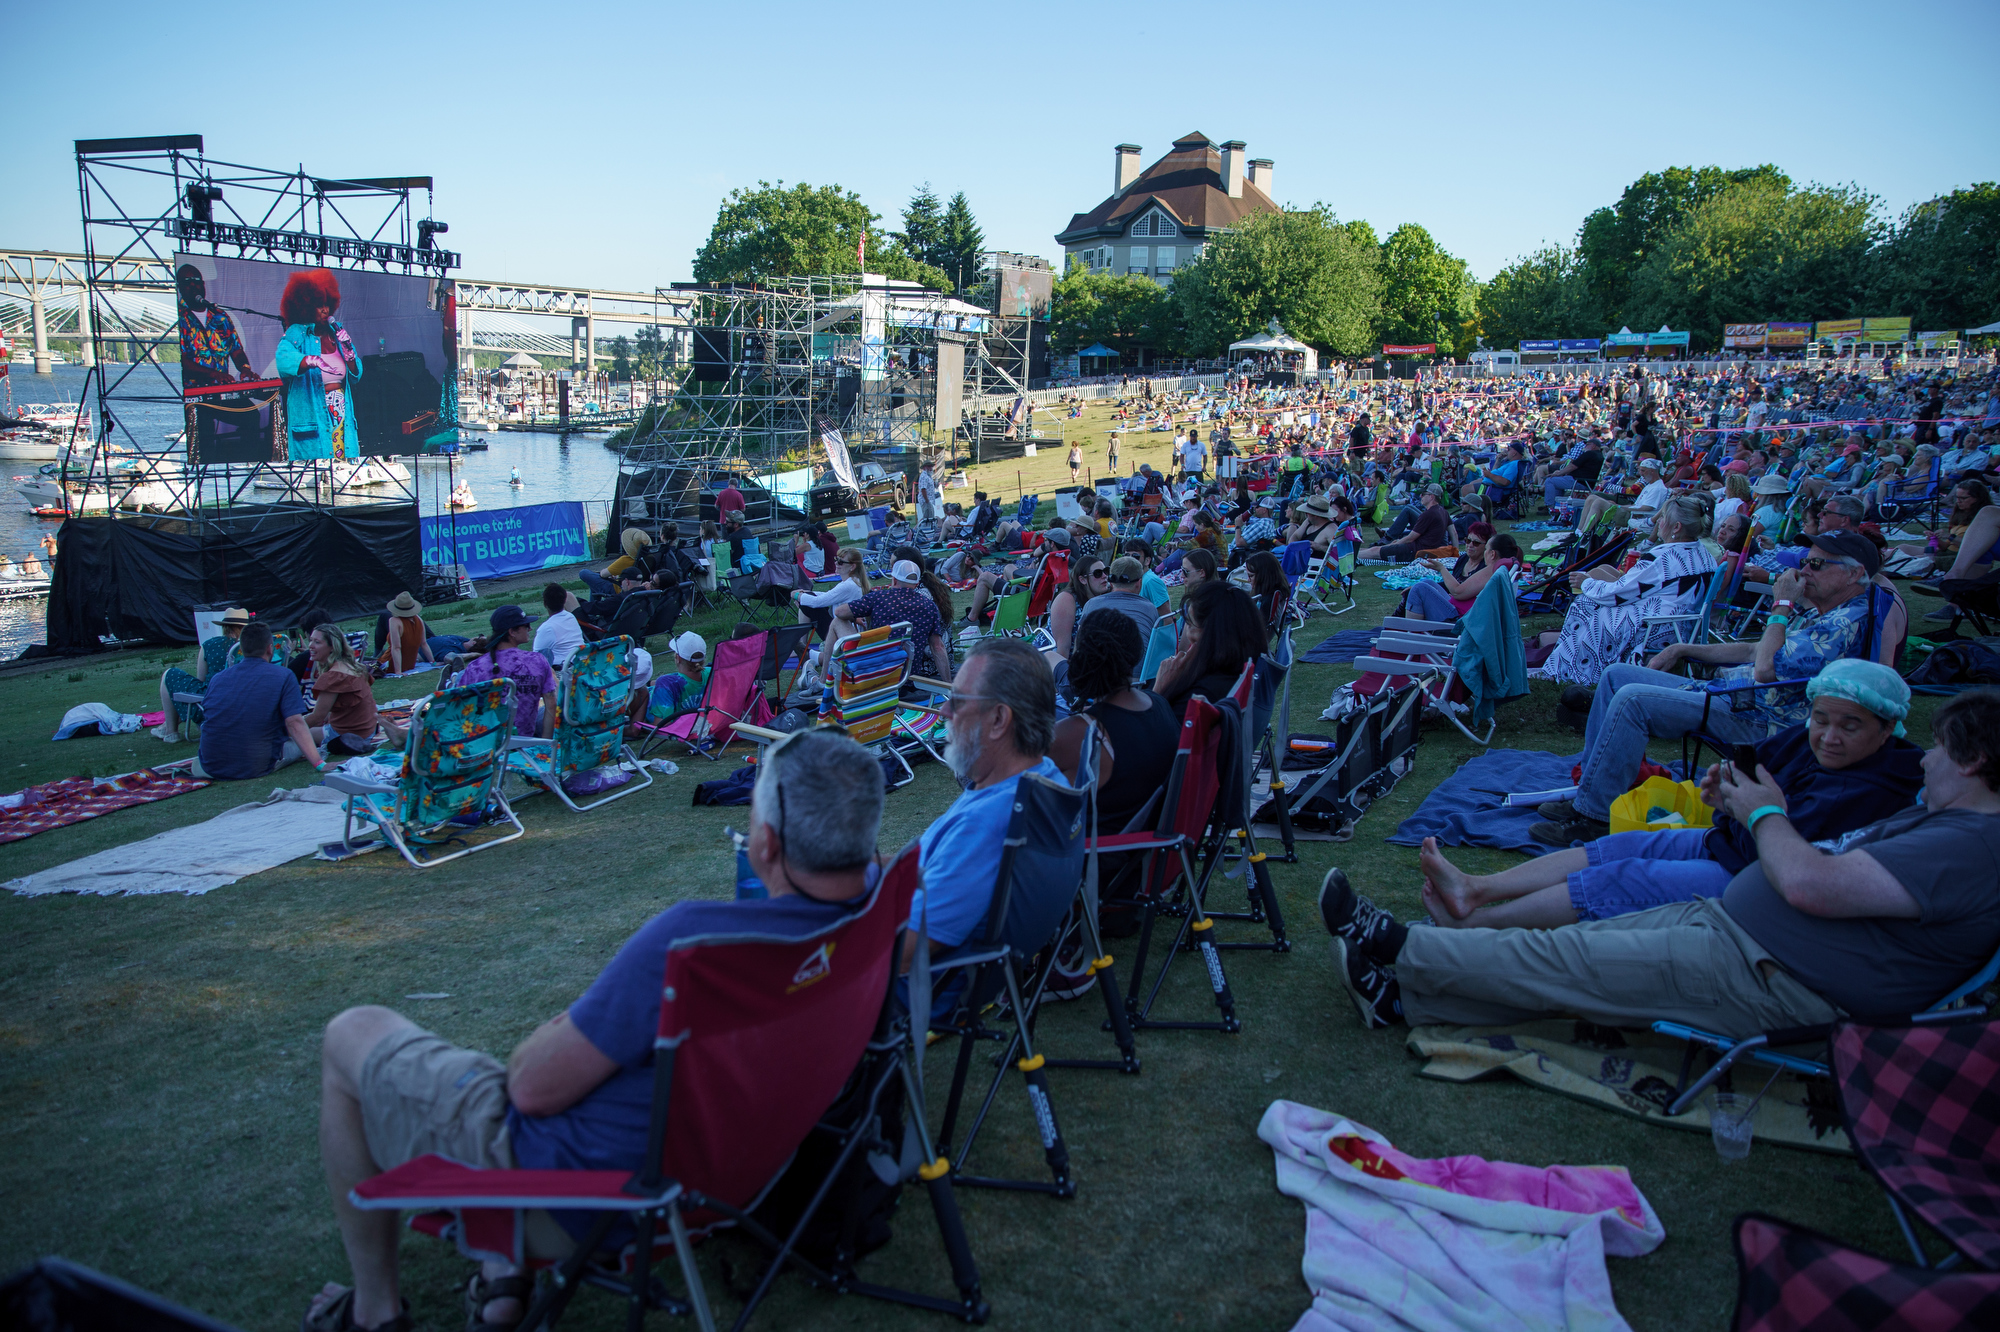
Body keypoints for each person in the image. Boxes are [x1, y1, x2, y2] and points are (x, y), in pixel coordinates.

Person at [305, 728, 887, 1332]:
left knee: (353, 1032)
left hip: (592, 1200)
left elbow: (529, 1090)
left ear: (766, 843)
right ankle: (503, 1273)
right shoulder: (874, 918)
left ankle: (373, 1312)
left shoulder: (693, 945)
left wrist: (557, 1028)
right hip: (738, 1182)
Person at [1324, 688, 2000, 1035]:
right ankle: (1405, 1000)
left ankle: (1402, 948)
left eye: (1940, 750)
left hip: (1780, 976)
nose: (1926, 759)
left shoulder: (1969, 848)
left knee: (1572, 961)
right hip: (1747, 930)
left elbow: (1808, 883)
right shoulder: (1947, 821)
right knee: (1577, 966)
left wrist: (1764, 813)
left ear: (1972, 763)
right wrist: (1741, 803)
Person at [1406, 660, 1924, 931]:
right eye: (1821, 720)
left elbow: (1780, 851)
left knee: (1622, 877)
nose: (1828, 737)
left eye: (1850, 727)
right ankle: (1477, 888)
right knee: (1616, 846)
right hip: (1733, 841)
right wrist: (1726, 788)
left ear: (1887, 730)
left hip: (1756, 878)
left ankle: (1475, 925)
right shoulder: (1808, 741)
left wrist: (1752, 809)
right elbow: (1754, 768)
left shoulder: (1872, 786)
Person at [1533, 529, 1886, 845]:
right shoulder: (1821, 611)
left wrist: (1781, 604)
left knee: (1632, 700)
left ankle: (1594, 818)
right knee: (1616, 675)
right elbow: (1756, 649)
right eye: (1805, 561)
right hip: (1733, 696)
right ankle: (1592, 790)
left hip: (1759, 718)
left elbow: (1764, 670)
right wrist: (1682, 648)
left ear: (1855, 574)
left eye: (1817, 564)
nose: (1805, 570)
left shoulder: (1843, 624)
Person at [902, 639, 1065, 969]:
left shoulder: (987, 824)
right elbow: (931, 864)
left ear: (999, 719)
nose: (944, 711)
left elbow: (902, 953)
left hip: (910, 986)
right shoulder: (1045, 778)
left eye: (958, 700)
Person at [1532, 494, 1717, 683]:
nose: (1659, 522)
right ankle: (1565, 659)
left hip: (1656, 628)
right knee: (1597, 590)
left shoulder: (1663, 558)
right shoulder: (1705, 555)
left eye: (1662, 518)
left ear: (1676, 527)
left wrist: (1586, 582)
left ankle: (1565, 669)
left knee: (1586, 602)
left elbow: (1617, 594)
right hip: (1684, 627)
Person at [192, 622, 325, 781]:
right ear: (270, 649)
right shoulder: (283, 675)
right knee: (302, 740)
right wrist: (319, 764)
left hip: (211, 764)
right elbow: (295, 723)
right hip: (255, 764)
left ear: (241, 649)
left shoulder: (218, 679)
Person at [274, 269, 362, 462]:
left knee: (344, 469)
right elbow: (282, 360)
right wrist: (311, 361)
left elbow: (356, 375)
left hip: (342, 415)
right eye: (319, 305)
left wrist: (349, 353)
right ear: (305, 307)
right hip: (314, 416)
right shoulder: (297, 333)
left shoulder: (337, 333)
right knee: (317, 472)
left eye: (327, 305)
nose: (325, 310)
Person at [1154, 580, 1264, 719]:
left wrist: (1159, 690)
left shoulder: (1200, 698)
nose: (1186, 632)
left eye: (1189, 624)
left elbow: (1150, 729)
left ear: (1211, 634)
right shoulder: (1240, 672)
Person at [831, 560, 949, 681]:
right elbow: (938, 647)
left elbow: (839, 612)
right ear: (916, 584)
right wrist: (948, 685)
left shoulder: (879, 598)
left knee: (837, 622)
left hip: (874, 675)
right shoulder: (929, 606)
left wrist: (855, 618)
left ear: (894, 580)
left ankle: (823, 680)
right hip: (907, 678)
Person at [457, 605, 557, 740]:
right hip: (525, 741)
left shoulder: (475, 667)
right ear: (512, 632)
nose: (530, 629)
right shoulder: (537, 661)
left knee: (460, 676)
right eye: (526, 625)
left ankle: (452, 679)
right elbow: (551, 704)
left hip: (487, 743)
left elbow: (462, 708)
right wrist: (545, 744)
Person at [154, 606, 249, 743]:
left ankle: (171, 732)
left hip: (214, 706)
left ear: (224, 627)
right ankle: (167, 727)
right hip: (247, 703)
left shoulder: (210, 645)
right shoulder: (255, 646)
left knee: (170, 674)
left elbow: (201, 679)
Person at [303, 625, 398, 756]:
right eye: (311, 640)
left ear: (332, 647)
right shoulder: (353, 666)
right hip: (369, 730)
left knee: (297, 734)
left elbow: (317, 717)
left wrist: (289, 729)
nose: (310, 646)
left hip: (351, 734)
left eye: (317, 642)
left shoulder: (333, 676)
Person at [1405, 530, 1521, 623]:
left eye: (1486, 549)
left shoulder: (1493, 570)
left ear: (1492, 554)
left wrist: (1441, 569)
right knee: (1428, 584)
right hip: (1463, 612)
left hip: (1460, 621)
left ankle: (1413, 636)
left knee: (1419, 589)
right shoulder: (1503, 569)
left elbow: (1458, 592)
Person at [174, 264, 254, 390]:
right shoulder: (178, 317)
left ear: (203, 285)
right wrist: (213, 374)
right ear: (180, 288)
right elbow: (182, 362)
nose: (193, 285)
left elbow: (236, 350)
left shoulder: (220, 316)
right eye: (187, 282)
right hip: (194, 392)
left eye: (196, 281)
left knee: (258, 404)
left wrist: (245, 368)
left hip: (223, 389)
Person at [1078, 556, 1161, 654]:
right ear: (1139, 583)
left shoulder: (1091, 605)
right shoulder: (1150, 608)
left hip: (1097, 662)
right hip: (1139, 663)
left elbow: (1079, 645)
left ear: (1111, 583)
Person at [1357, 485, 1449, 562]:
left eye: (1424, 494)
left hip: (1415, 552)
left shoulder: (1428, 514)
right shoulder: (1443, 512)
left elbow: (1410, 538)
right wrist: (1453, 553)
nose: (1421, 496)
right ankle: (1353, 552)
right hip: (1420, 549)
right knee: (1375, 549)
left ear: (1431, 497)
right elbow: (1454, 533)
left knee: (1375, 551)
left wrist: (1393, 545)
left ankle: (1351, 556)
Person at [794, 547, 869, 640]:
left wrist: (796, 595)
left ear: (852, 567)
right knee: (807, 599)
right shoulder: (853, 581)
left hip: (843, 632)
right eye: (836, 559)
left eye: (840, 562)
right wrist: (805, 593)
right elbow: (828, 595)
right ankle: (802, 644)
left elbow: (817, 602)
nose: (836, 563)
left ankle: (802, 644)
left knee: (807, 604)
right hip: (847, 628)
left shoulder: (848, 585)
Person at [1047, 555, 1107, 661]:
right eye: (1097, 573)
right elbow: (1062, 649)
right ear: (1083, 580)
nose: (1104, 576)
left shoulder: (1105, 597)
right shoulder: (1067, 600)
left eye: (1106, 571)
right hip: (1055, 660)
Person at [647, 631, 708, 720]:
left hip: (681, 728)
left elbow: (661, 725)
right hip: (705, 723)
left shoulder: (666, 683)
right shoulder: (712, 673)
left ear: (678, 658)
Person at [375, 593, 436, 676]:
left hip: (391, 664)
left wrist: (398, 672)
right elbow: (424, 644)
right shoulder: (418, 619)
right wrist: (433, 663)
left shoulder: (394, 621)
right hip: (410, 664)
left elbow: (396, 648)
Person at [533, 583, 591, 669]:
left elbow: (536, 658)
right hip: (581, 665)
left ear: (545, 604)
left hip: (563, 670)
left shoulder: (547, 628)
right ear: (564, 601)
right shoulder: (571, 617)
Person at [915, 461, 942, 526]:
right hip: (926, 501)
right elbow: (923, 489)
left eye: (931, 466)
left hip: (929, 500)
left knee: (930, 517)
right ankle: (927, 529)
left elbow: (928, 487)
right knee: (928, 519)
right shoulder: (924, 476)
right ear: (924, 467)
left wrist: (935, 485)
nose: (931, 468)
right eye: (929, 466)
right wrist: (927, 500)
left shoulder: (928, 476)